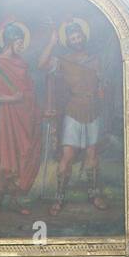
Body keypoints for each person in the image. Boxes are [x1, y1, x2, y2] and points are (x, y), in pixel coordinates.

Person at [38, 19, 108, 215]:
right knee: (67, 156)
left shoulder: (95, 59)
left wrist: (103, 88)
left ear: (83, 37)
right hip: (73, 110)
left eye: (78, 37)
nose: (76, 40)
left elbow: (102, 84)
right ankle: (59, 198)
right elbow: (42, 64)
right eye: (73, 38)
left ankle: (94, 195)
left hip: (93, 110)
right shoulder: (64, 61)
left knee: (92, 155)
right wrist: (52, 43)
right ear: (68, 41)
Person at [0, 22, 42, 217]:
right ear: (10, 42)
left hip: (21, 119)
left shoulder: (22, 65)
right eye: (19, 42)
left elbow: (29, 92)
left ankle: (13, 200)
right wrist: (11, 98)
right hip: (2, 118)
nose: (22, 46)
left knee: (20, 159)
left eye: (23, 42)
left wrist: (29, 104)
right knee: (0, 160)